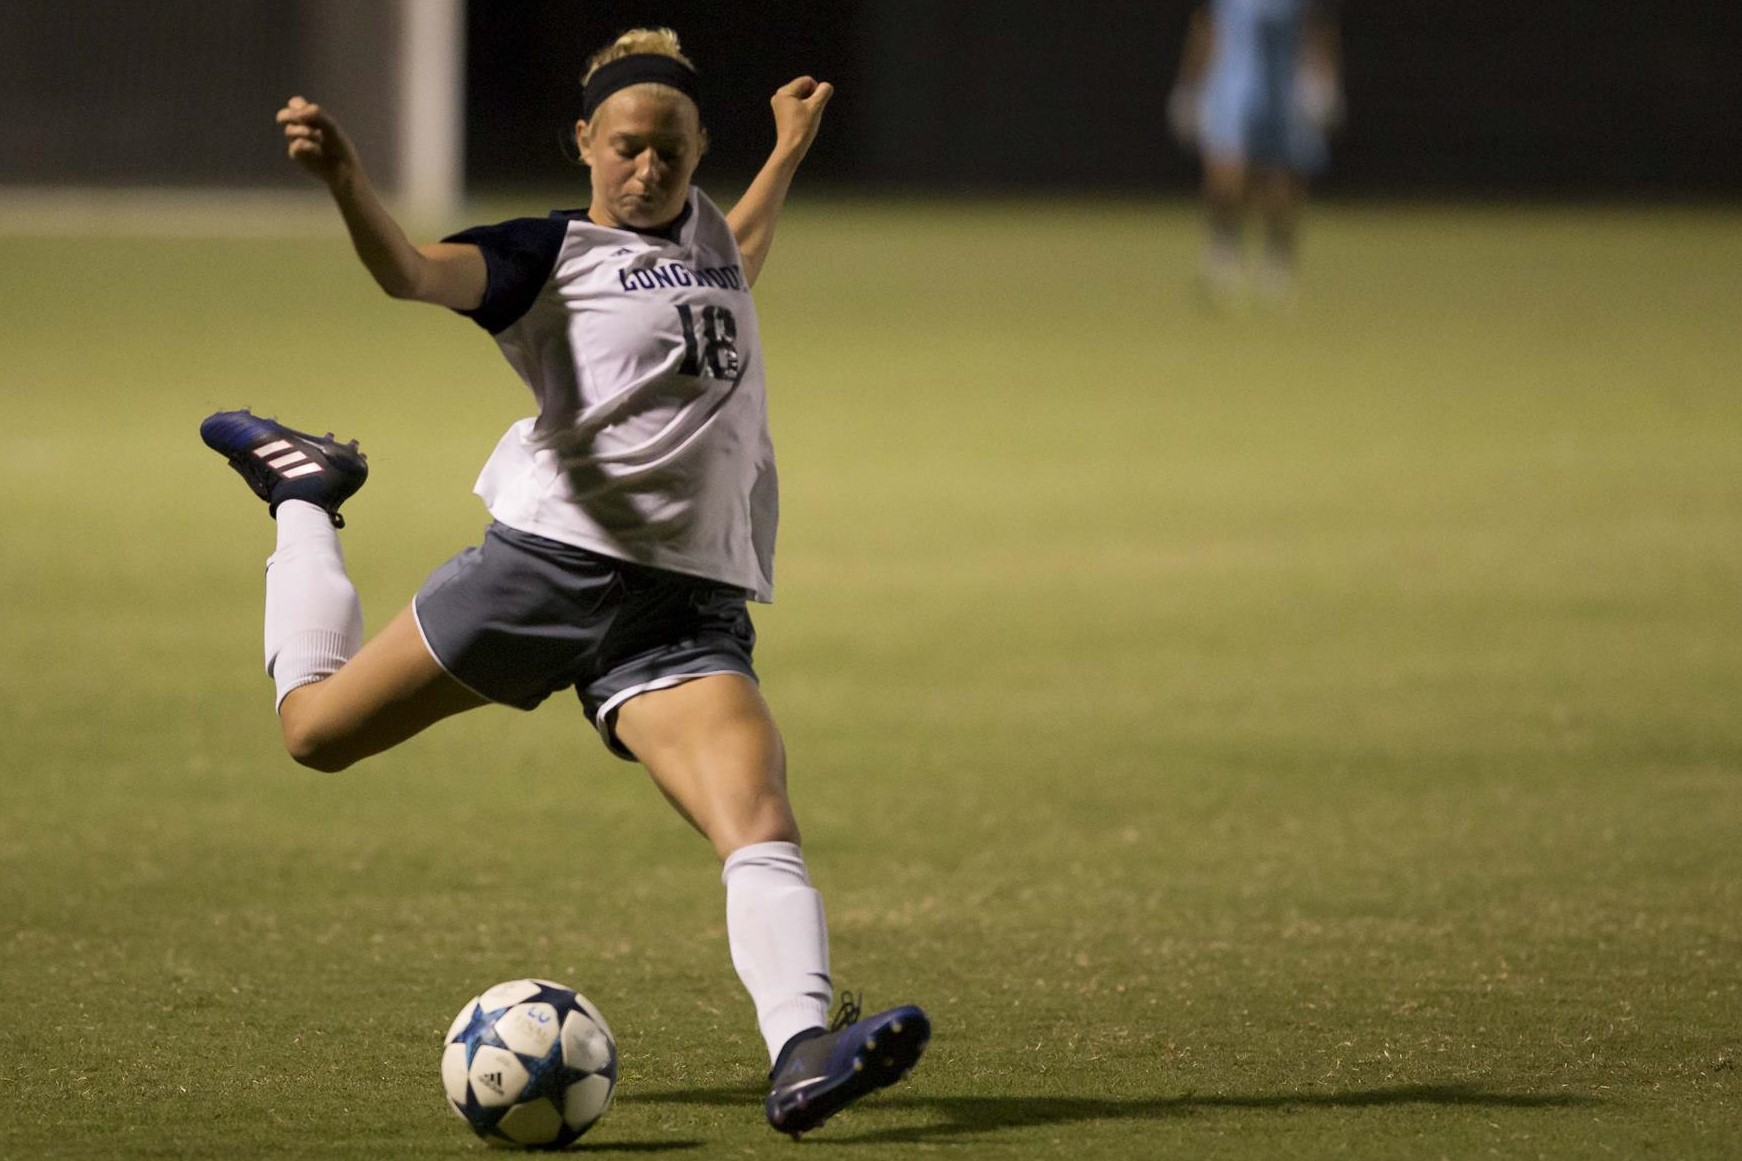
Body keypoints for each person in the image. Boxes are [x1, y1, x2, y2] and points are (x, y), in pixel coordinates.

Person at [199, 27, 927, 1139]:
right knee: (314, 732)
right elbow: (409, 272)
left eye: (672, 154)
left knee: (758, 816)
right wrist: (348, 181)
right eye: (627, 147)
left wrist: (785, 151)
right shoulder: (547, 257)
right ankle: (304, 494)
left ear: (697, 154)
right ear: (584, 141)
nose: (648, 170)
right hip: (546, 571)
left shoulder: (709, 238)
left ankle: (801, 1053)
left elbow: (741, 247)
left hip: (682, 608)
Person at [1169, 0, 1343, 302]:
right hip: (1231, 85)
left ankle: (1278, 260)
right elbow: (1205, 28)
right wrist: (1189, 85)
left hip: (1285, 88)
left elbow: (1320, 28)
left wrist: (1325, 80)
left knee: (1279, 181)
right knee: (1225, 173)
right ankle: (1223, 255)